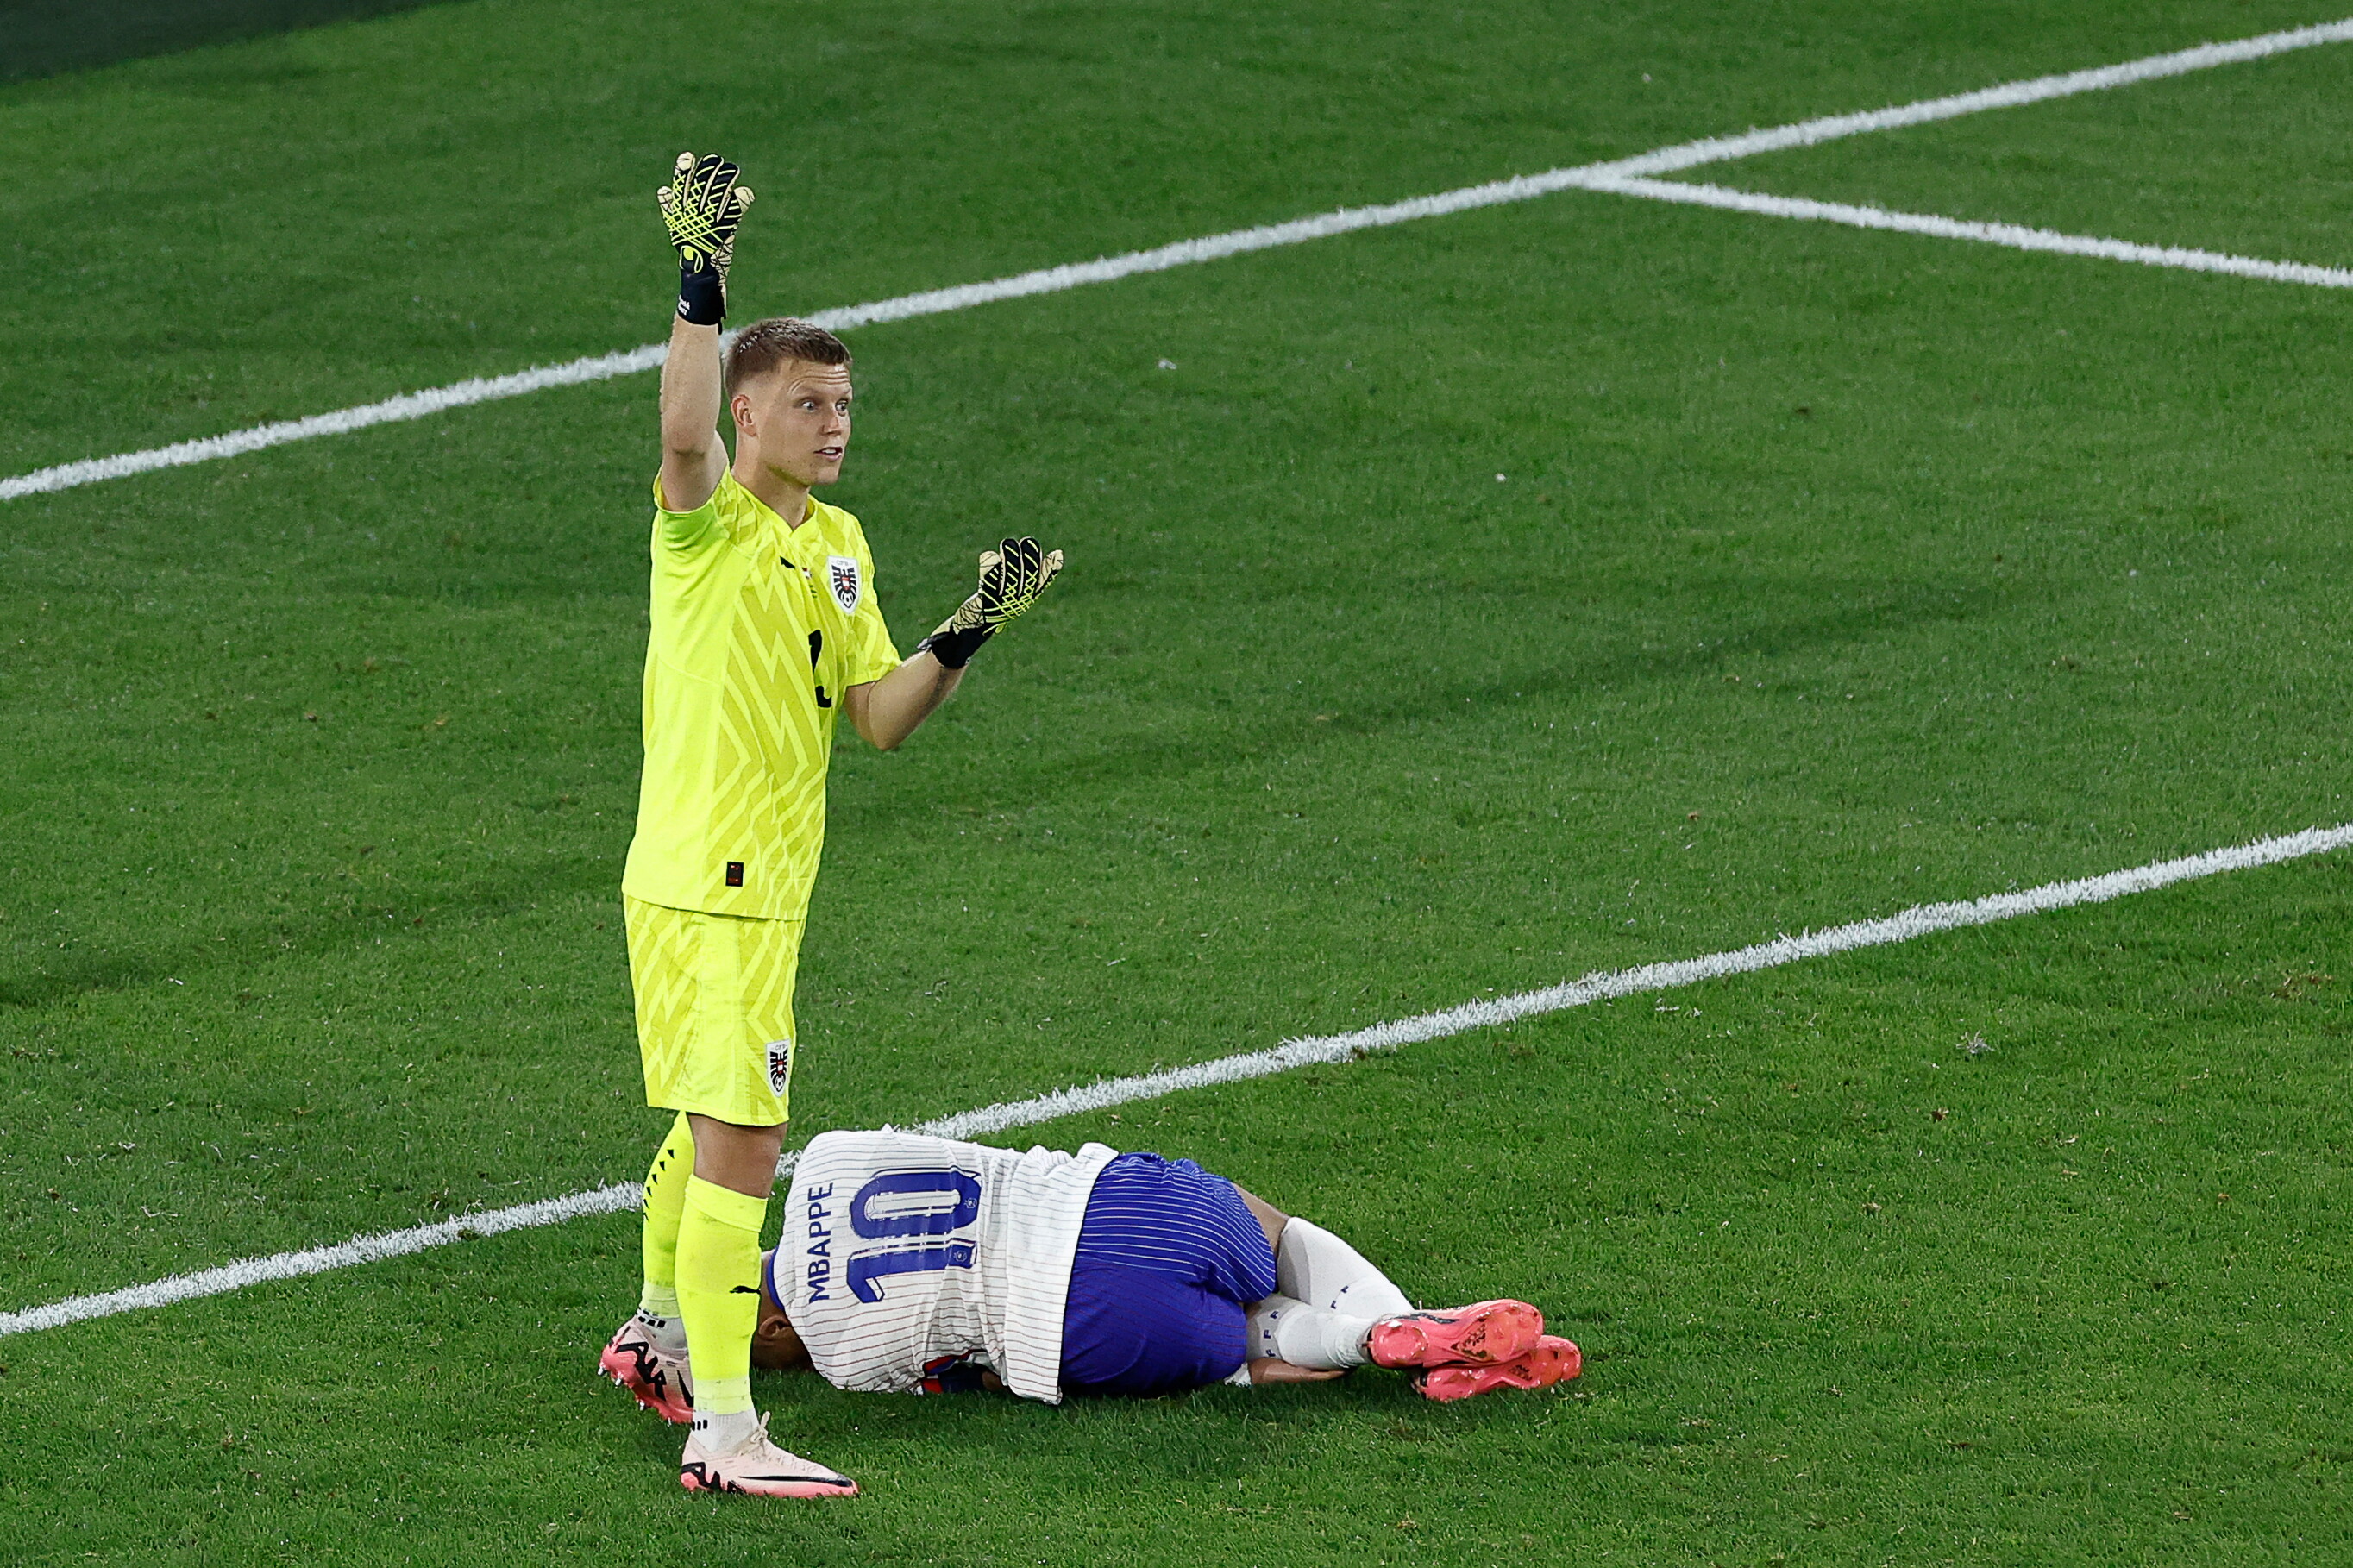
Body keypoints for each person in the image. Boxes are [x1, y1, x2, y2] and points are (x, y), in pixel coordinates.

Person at [595, 152, 1064, 1501]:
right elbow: (678, 434)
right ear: (750, 412)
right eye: (808, 402)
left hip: (752, 887)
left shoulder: (839, 542)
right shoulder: (706, 525)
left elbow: (878, 716)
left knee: (711, 1126)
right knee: (745, 1145)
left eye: (845, 402)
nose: (834, 422)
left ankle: (658, 1330)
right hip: (713, 880)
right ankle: (726, 1430)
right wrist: (702, 279)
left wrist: (969, 628)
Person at [606, 1129, 1578, 1497]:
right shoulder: (825, 1155)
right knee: (1274, 1238)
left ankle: (1367, 1344)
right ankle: (1403, 1320)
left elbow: (975, 1378)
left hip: (1086, 1317)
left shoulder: (842, 1359)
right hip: (1111, 1202)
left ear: (770, 1327)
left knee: (1242, 1346)